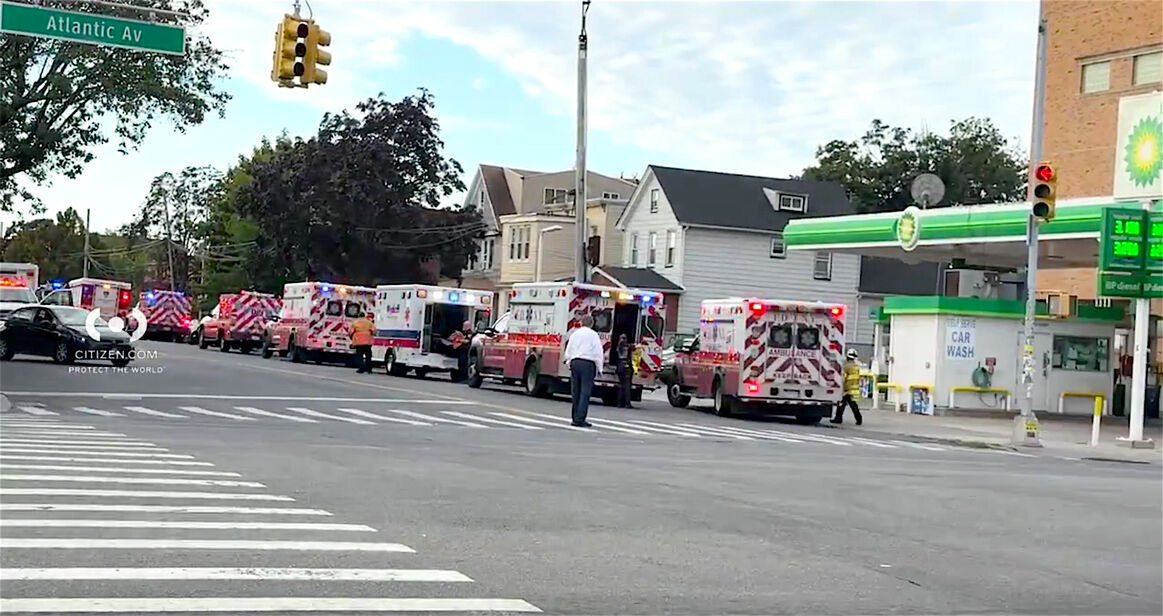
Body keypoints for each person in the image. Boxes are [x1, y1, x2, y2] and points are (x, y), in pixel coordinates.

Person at [562, 314, 603, 427]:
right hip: (587, 363)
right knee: (585, 392)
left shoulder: (575, 334)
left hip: (575, 362)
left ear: (582, 323)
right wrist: (600, 368)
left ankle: (575, 417)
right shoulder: (593, 335)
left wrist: (569, 361)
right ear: (592, 324)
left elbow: (569, 348)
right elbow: (598, 351)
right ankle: (580, 419)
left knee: (576, 391)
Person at [831, 348, 863, 425]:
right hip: (854, 389)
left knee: (841, 404)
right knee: (853, 405)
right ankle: (859, 419)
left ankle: (838, 418)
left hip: (847, 389)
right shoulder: (856, 366)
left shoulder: (846, 367)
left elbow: (844, 378)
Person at [613, 334, 634, 408]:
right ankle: (627, 403)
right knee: (627, 386)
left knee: (621, 385)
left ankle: (619, 403)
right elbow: (632, 347)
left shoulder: (618, 346)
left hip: (620, 366)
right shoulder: (625, 346)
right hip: (625, 366)